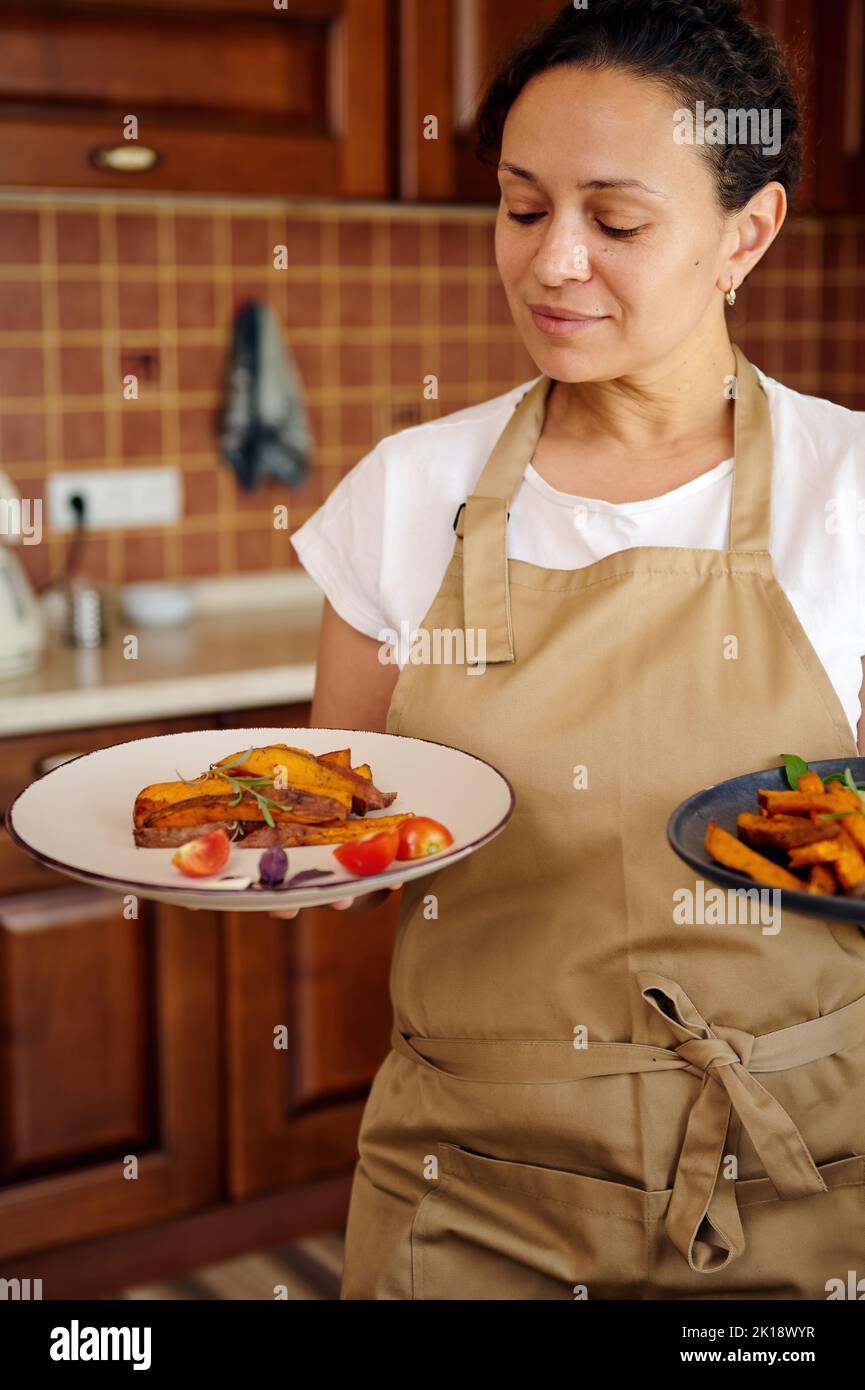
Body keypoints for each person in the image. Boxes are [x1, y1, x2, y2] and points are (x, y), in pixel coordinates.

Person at [276, 0, 865, 1298]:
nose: (550, 262)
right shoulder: (404, 491)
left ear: (744, 231)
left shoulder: (851, 491)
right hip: (470, 1186)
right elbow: (339, 835)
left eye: (614, 218)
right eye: (520, 205)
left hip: (800, 1179)